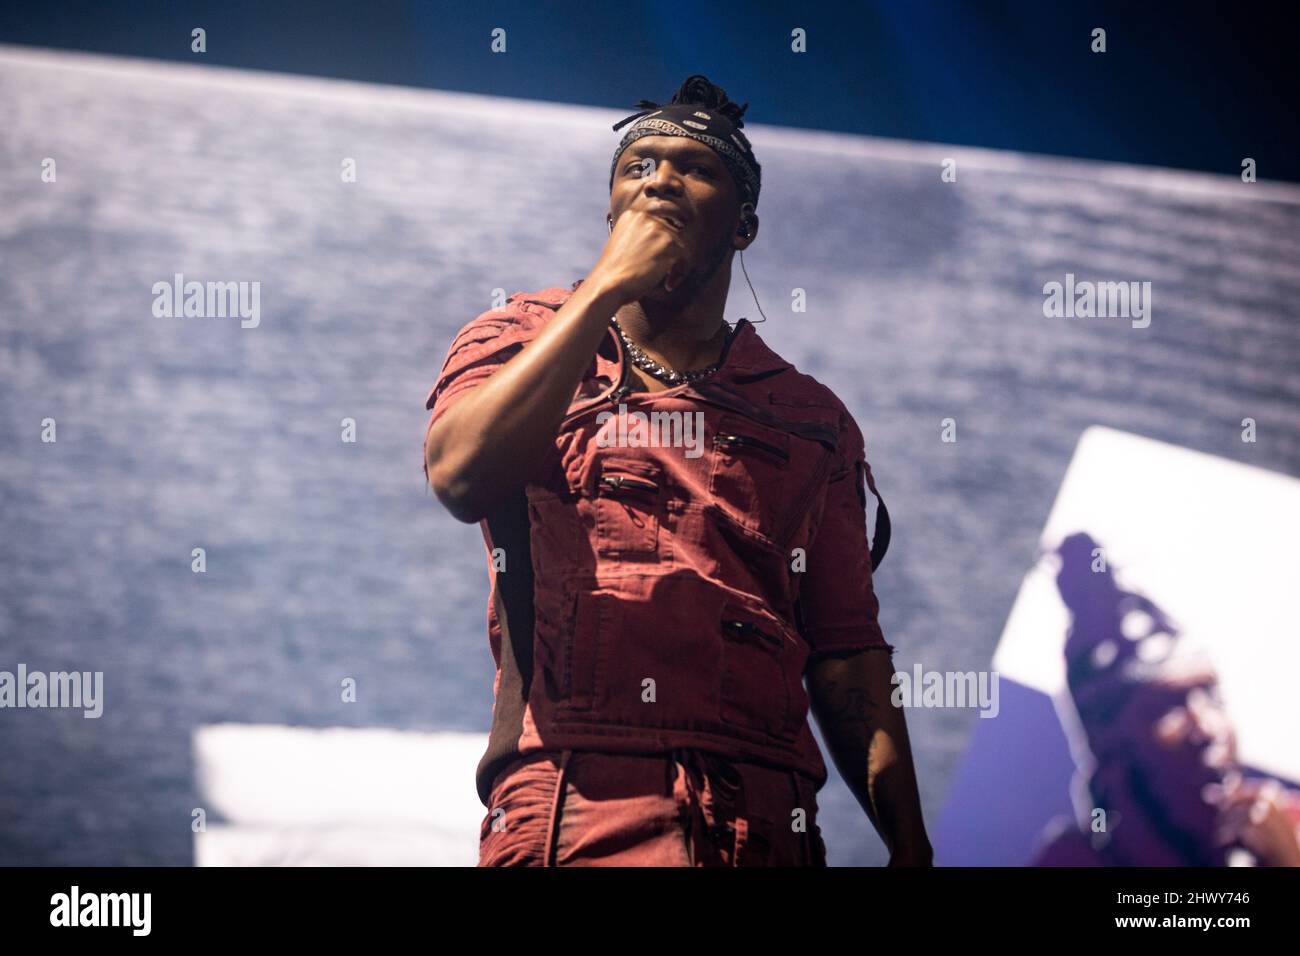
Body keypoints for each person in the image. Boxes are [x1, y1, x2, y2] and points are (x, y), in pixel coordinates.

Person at [422, 75, 931, 866]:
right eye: (639, 166)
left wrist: (911, 845)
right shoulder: (521, 338)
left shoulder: (808, 415)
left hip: (765, 812)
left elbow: (846, 649)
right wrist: (605, 289)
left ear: (744, 224)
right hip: (577, 797)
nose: (660, 179)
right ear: (611, 210)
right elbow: (461, 475)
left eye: (695, 168)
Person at [1032, 532, 1300, 866]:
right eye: (1168, 708)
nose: (1207, 729)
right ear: (1113, 751)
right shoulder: (1074, 861)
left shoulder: (1288, 828)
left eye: (1212, 697)